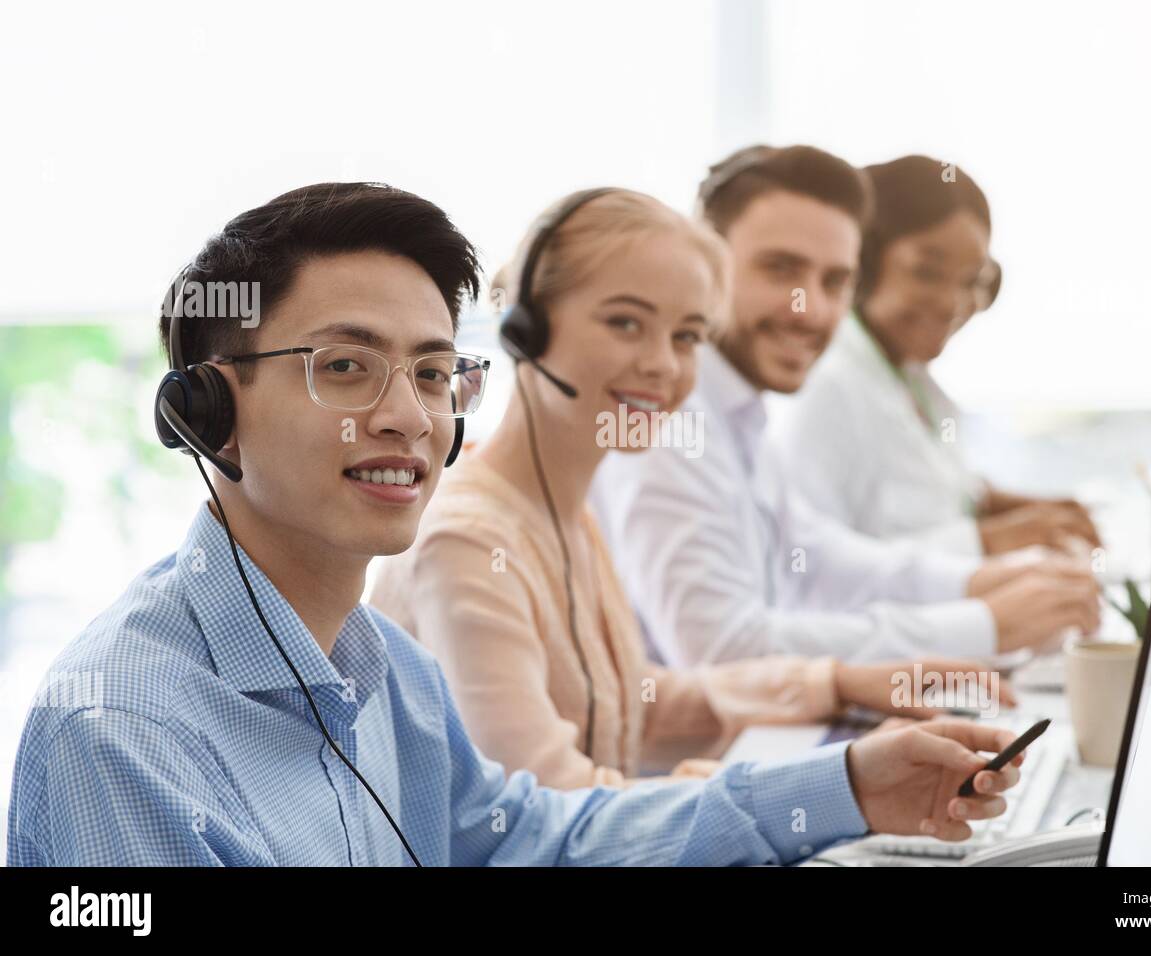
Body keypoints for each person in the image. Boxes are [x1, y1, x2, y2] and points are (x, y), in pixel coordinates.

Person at [7, 182, 1022, 866]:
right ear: (208, 411)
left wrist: (844, 785)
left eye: (436, 370)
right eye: (346, 364)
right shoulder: (124, 735)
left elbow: (544, 832)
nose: (410, 413)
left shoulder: (385, 672)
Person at [371, 188, 1015, 789]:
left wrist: (840, 683)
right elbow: (545, 808)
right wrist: (835, 785)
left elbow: (628, 705)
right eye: (626, 323)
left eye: (687, 337)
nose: (664, 365)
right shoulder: (469, 544)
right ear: (526, 330)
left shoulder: (564, 515)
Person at [592, 146, 1101, 669]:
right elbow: (722, 652)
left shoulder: (739, 412)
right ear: (702, 264)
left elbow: (818, 559)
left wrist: (979, 579)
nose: (809, 309)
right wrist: (985, 623)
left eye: (835, 282)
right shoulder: (667, 418)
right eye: (779, 269)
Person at [770, 155, 1101, 556]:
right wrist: (990, 541)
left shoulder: (912, 380)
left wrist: (1032, 511)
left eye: (971, 281)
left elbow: (939, 494)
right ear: (863, 263)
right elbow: (812, 567)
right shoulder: (825, 388)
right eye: (927, 272)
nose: (952, 304)